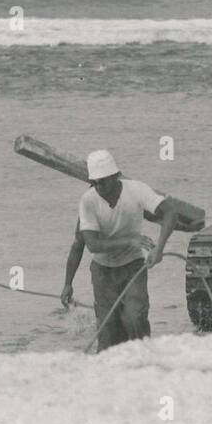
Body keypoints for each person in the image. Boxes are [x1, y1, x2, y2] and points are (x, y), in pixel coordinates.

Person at [62, 149, 178, 352]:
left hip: (133, 268)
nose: (99, 187)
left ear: (116, 176)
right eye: (95, 182)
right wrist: (67, 284)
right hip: (102, 272)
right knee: (107, 333)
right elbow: (88, 245)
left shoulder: (136, 190)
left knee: (135, 318)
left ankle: (145, 361)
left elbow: (170, 211)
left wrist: (159, 249)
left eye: (104, 181)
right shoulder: (88, 201)